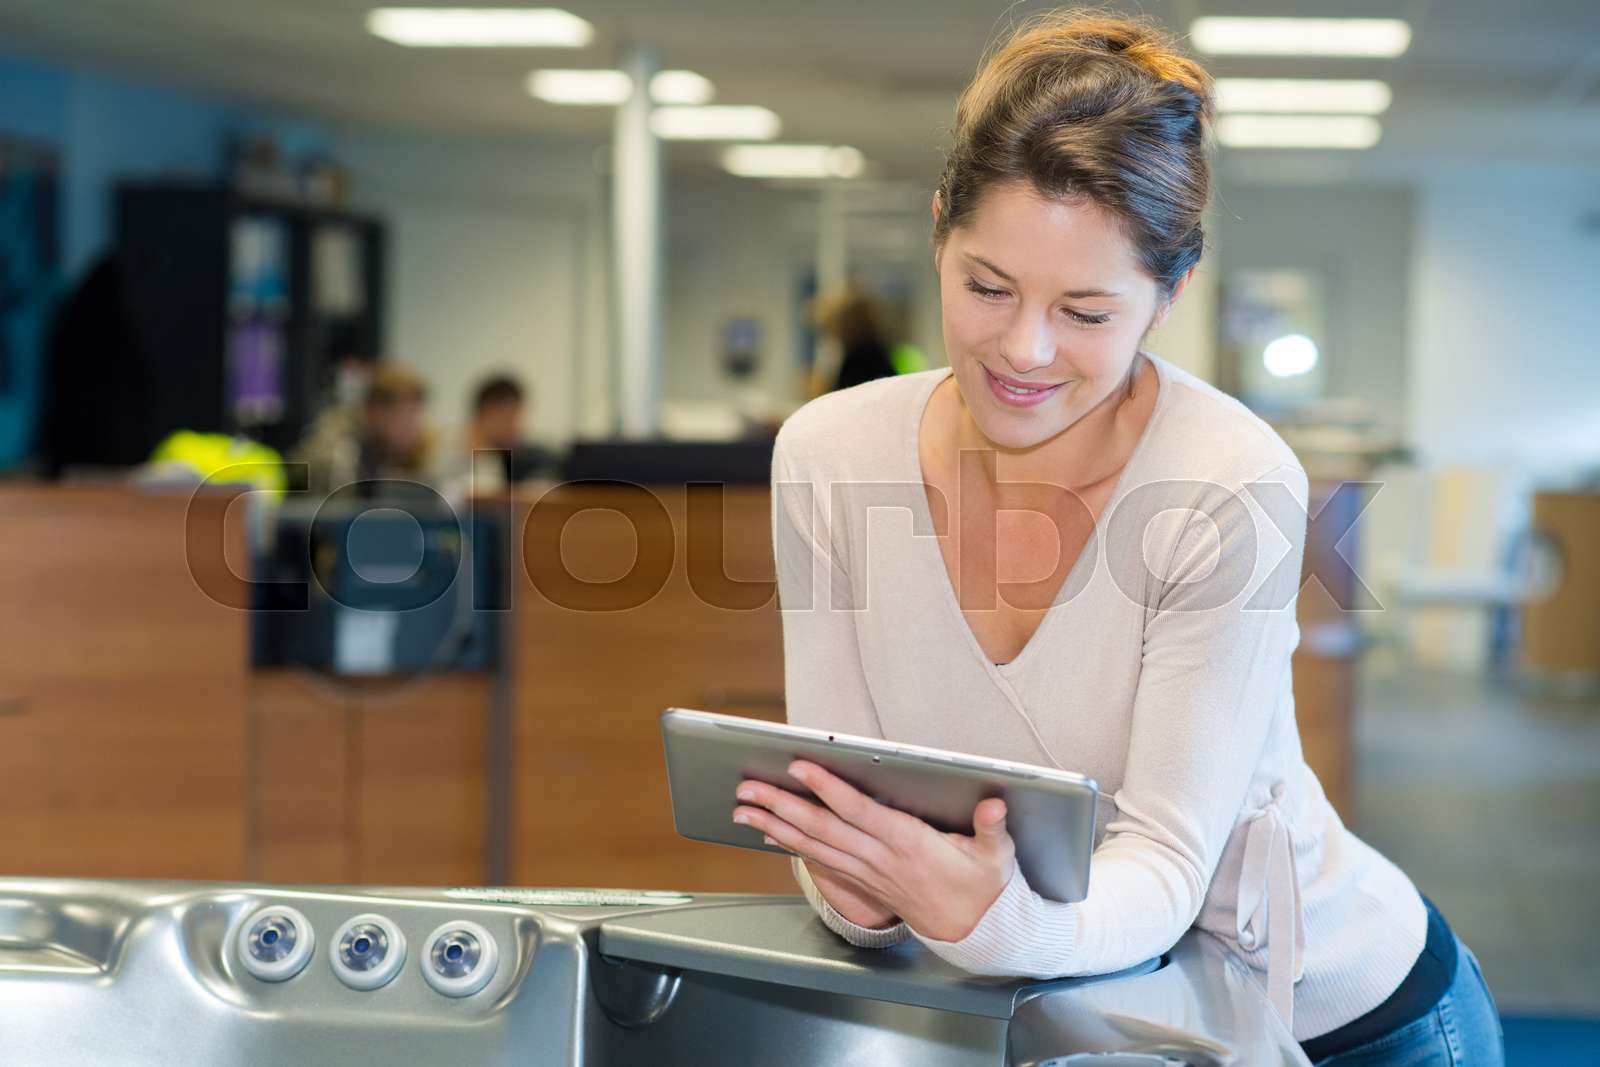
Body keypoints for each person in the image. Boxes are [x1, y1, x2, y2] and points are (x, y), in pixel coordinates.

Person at [732, 11, 1503, 1066]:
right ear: (937, 236)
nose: (1023, 347)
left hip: (1336, 1019)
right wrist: (866, 883)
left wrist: (984, 915)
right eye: (986, 286)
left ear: (1169, 294)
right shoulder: (829, 450)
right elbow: (843, 797)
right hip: (1079, 1019)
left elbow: (1167, 859)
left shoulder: (1227, 478)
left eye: (1086, 310)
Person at [295, 363, 434, 496]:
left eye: (416, 417)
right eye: (405, 418)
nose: (413, 428)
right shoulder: (335, 459)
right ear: (374, 411)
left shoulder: (398, 455)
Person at [440, 373, 558, 497]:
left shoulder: (493, 457)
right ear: (488, 413)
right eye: (511, 417)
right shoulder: (444, 454)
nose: (517, 427)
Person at [809, 287, 898, 395]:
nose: (829, 336)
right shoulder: (873, 353)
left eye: (830, 326)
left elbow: (846, 400)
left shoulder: (860, 359)